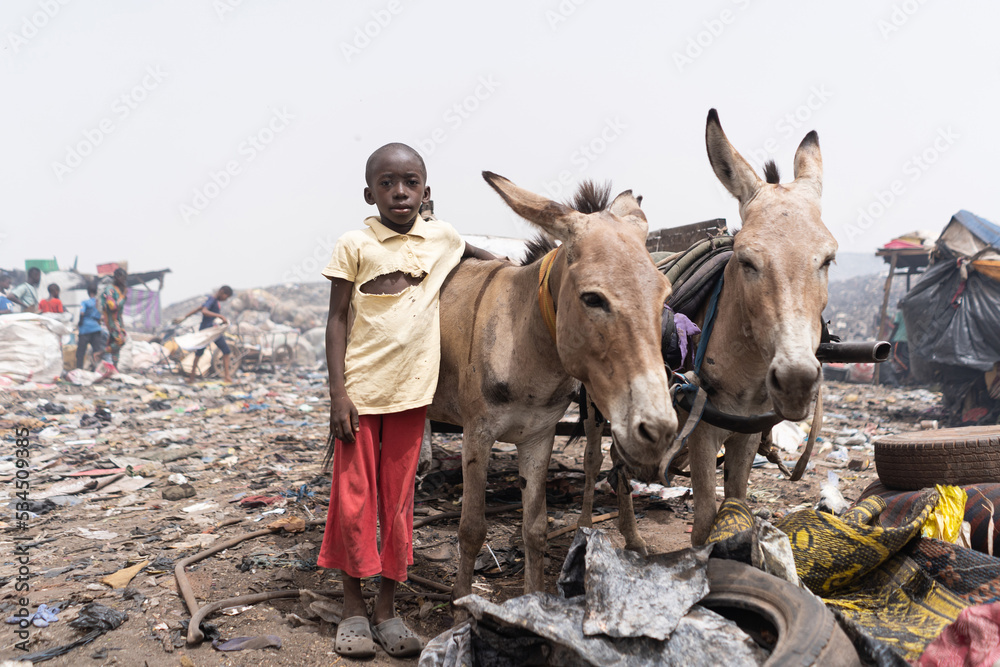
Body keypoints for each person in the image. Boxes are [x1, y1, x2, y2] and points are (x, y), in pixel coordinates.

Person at [319, 143, 496, 658]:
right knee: (354, 503)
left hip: (412, 396)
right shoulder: (355, 243)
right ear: (369, 192)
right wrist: (338, 394)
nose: (400, 192)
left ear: (426, 190)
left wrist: (507, 266)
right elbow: (335, 320)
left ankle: (386, 610)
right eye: (388, 183)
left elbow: (469, 253)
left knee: (397, 505)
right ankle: (352, 608)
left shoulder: (440, 236)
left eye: (411, 182)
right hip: (360, 394)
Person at [175, 286, 234, 383]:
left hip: (212, 330)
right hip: (208, 331)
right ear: (222, 292)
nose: (225, 299)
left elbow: (199, 308)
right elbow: (204, 311)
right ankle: (192, 377)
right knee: (200, 353)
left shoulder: (213, 301)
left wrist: (185, 317)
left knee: (224, 351)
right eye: (226, 297)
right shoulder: (212, 299)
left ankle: (226, 377)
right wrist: (220, 316)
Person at [99, 268, 129, 370]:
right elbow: (112, 306)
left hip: (118, 320)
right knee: (120, 340)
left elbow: (120, 311)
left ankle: (115, 367)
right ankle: (100, 353)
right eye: (122, 278)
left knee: (117, 346)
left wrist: (122, 324)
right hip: (111, 320)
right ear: (116, 277)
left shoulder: (121, 290)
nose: (123, 280)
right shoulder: (110, 289)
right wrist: (122, 298)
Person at [77, 285, 105, 369]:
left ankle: (79, 369)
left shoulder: (85, 302)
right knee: (97, 350)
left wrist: (80, 322)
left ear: (88, 292)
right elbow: (100, 317)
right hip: (96, 329)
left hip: (85, 329)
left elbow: (82, 313)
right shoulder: (98, 304)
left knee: (81, 352)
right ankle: (97, 369)